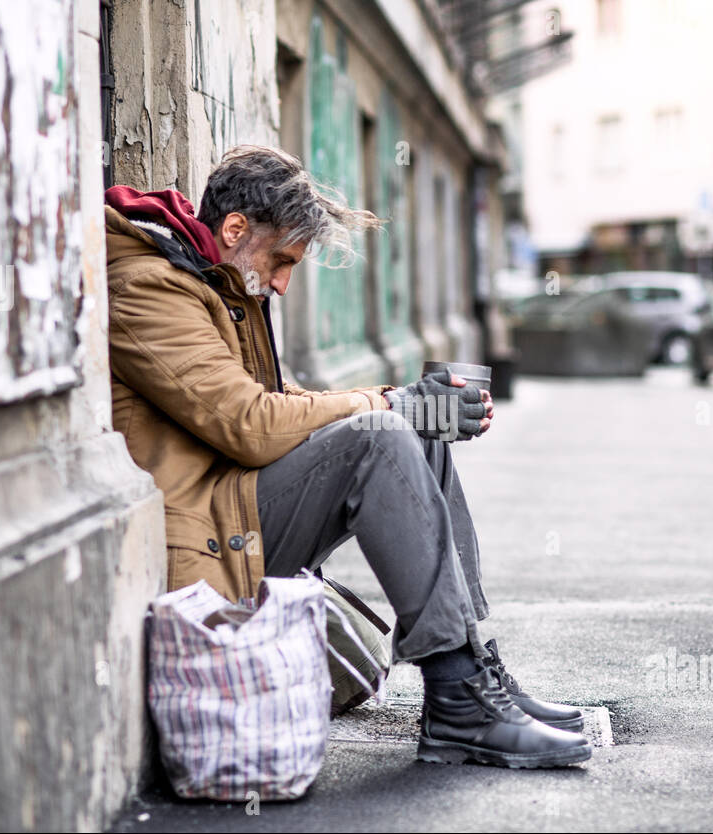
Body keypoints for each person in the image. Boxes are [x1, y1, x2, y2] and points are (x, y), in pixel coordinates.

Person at [105, 145, 590, 769]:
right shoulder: (149, 287)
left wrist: (416, 407)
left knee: (412, 432)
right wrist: (385, 401)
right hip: (207, 535)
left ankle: (472, 673)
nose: (282, 282)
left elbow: (274, 401)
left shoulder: (211, 277)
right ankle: (459, 707)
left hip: (239, 507)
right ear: (234, 229)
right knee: (382, 434)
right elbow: (248, 424)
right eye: (282, 260)